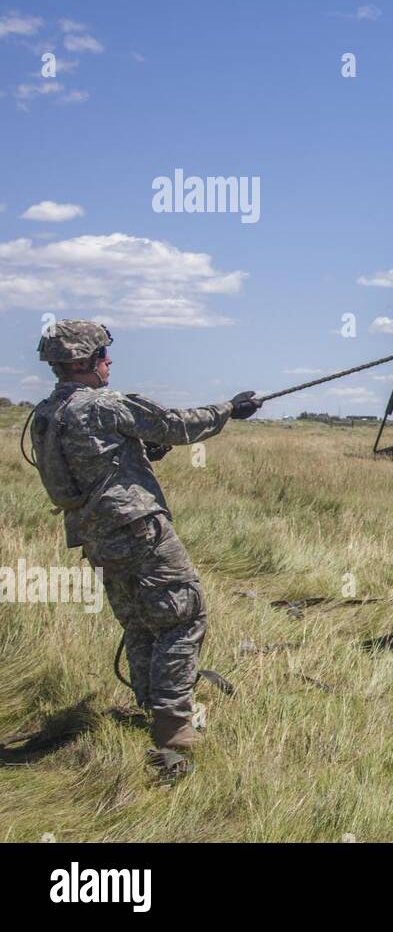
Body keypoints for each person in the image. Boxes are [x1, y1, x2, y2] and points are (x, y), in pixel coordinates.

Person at [28, 320, 261, 755]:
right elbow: (176, 425)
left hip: (95, 537)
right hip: (138, 529)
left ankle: (151, 706)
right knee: (182, 616)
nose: (108, 361)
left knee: (139, 621)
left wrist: (137, 451)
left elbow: (87, 464)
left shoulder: (45, 415)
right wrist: (230, 408)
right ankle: (173, 724)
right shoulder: (103, 405)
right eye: (102, 355)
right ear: (82, 362)